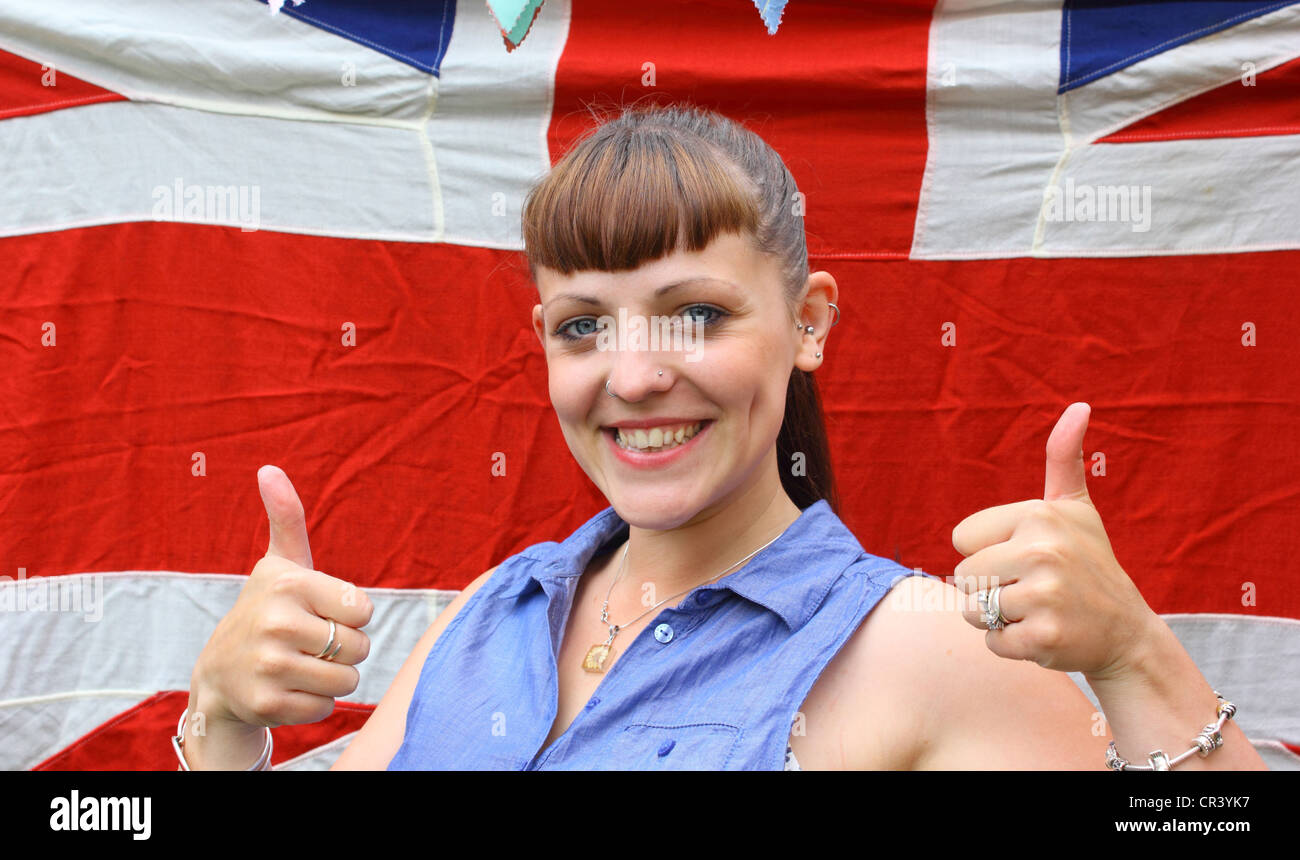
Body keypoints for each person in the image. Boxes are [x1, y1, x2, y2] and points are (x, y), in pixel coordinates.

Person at [179, 102, 1266, 770]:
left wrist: (1135, 658)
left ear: (809, 322)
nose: (637, 372)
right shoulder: (486, 615)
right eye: (584, 324)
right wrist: (223, 720)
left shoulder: (929, 646)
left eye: (695, 312)